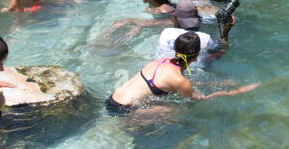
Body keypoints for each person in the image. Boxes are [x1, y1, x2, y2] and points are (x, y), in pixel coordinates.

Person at [106, 30, 257, 114]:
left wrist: (219, 83)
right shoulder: (179, 79)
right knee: (177, 110)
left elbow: (176, 86)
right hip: (124, 110)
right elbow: (202, 98)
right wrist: (235, 91)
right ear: (197, 55)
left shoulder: (161, 62)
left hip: (113, 99)